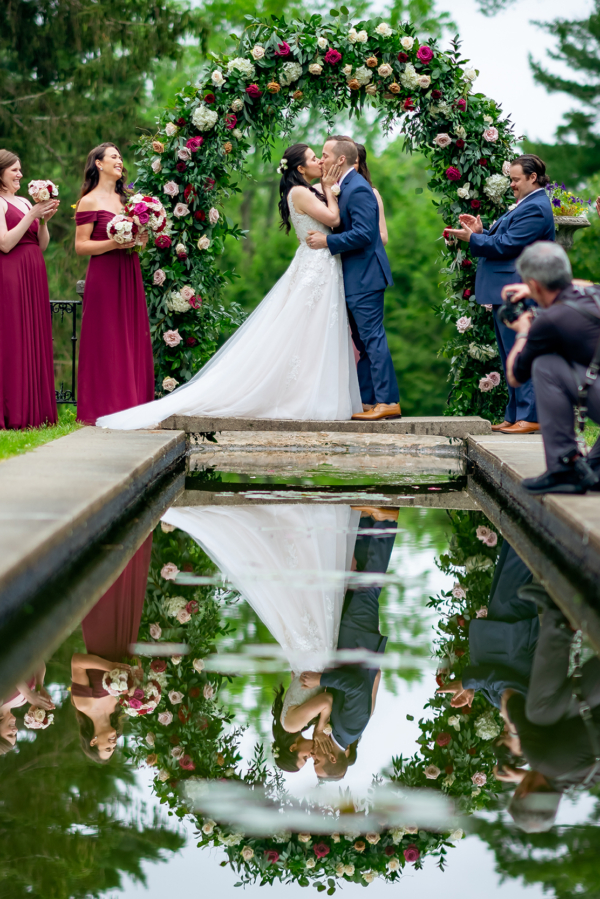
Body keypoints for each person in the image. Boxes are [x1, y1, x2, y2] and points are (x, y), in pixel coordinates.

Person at [96, 143, 361, 429]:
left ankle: (316, 393)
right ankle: (301, 397)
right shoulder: (299, 191)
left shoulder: (311, 190)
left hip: (322, 265)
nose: (320, 162)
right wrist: (328, 187)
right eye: (314, 159)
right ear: (300, 168)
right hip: (315, 266)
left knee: (315, 331)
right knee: (308, 329)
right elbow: (333, 219)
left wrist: (328, 188)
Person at [157, 502, 361, 774]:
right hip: (305, 658)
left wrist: (322, 729)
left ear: (291, 749)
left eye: (303, 760)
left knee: (314, 594)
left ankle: (318, 533)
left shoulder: (292, 725)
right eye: (310, 762)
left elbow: (326, 701)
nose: (310, 757)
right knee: (310, 594)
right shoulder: (289, 720)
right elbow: (294, 681)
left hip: (312, 656)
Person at [448, 154, 555, 435]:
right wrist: (481, 231)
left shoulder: (536, 207)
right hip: (506, 291)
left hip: (521, 290)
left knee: (522, 353)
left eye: (516, 179)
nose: (512, 184)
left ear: (533, 178)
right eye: (511, 179)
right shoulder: (525, 204)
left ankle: (530, 416)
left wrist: (473, 239)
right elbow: (503, 237)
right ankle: (514, 414)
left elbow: (508, 245)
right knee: (510, 355)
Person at [307, 137, 400, 422]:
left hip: (366, 276)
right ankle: (369, 400)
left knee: (372, 339)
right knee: (363, 343)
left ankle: (388, 401)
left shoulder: (359, 189)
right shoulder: (344, 186)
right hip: (355, 276)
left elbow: (364, 234)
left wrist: (327, 241)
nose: (321, 160)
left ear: (341, 160)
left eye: (324, 155)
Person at [301, 507, 395, 780]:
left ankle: (368, 518)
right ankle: (388, 518)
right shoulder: (351, 728)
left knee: (360, 578)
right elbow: (354, 686)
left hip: (350, 640)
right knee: (370, 583)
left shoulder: (340, 730)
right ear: (332, 758)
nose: (313, 758)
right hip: (359, 642)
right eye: (317, 762)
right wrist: (320, 679)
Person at [502, 241, 600, 494]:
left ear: (535, 285)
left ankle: (563, 467)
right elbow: (584, 285)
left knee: (546, 365)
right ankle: (590, 467)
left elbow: (515, 377)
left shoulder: (550, 321)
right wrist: (533, 287)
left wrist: (523, 332)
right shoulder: (595, 294)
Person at [75, 142, 154, 425]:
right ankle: (101, 408)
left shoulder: (129, 202)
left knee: (130, 336)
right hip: (104, 275)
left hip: (129, 272)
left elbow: (134, 243)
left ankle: (132, 407)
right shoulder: (89, 201)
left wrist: (139, 241)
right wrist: (115, 243)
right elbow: (81, 246)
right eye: (113, 157)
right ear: (98, 163)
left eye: (121, 157)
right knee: (105, 338)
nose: (119, 160)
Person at [71, 535, 152, 762]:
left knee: (105, 586)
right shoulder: (122, 707)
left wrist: (109, 666)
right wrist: (138, 674)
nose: (113, 746)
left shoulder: (84, 704)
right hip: (125, 637)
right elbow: (132, 664)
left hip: (101, 631)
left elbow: (77, 661)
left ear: (94, 741)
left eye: (107, 749)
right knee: (130, 583)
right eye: (113, 750)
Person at [436, 540, 538, 710]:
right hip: (512, 633)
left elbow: (492, 681)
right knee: (520, 551)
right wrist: (467, 683)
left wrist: (471, 688)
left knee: (513, 544)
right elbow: (501, 679)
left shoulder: (503, 709)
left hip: (500, 628)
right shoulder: (526, 713)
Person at [0, 150, 59, 430]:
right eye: (14, 170)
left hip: (34, 273)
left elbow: (42, 244)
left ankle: (34, 409)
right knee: (13, 337)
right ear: (0, 173)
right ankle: (14, 411)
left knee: (33, 335)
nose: (20, 175)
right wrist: (32, 214)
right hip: (11, 274)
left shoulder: (25, 201)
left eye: (21, 170)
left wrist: (43, 219)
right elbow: (6, 243)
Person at [0, 665, 55, 755]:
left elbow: (8, 667)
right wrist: (39, 687)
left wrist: (29, 694)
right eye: (15, 735)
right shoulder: (20, 702)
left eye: (10, 735)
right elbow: (39, 663)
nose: (16, 730)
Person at [354, 144, 388, 246]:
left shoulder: (372, 193)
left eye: (354, 162)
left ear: (360, 166)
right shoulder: (328, 191)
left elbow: (383, 237)